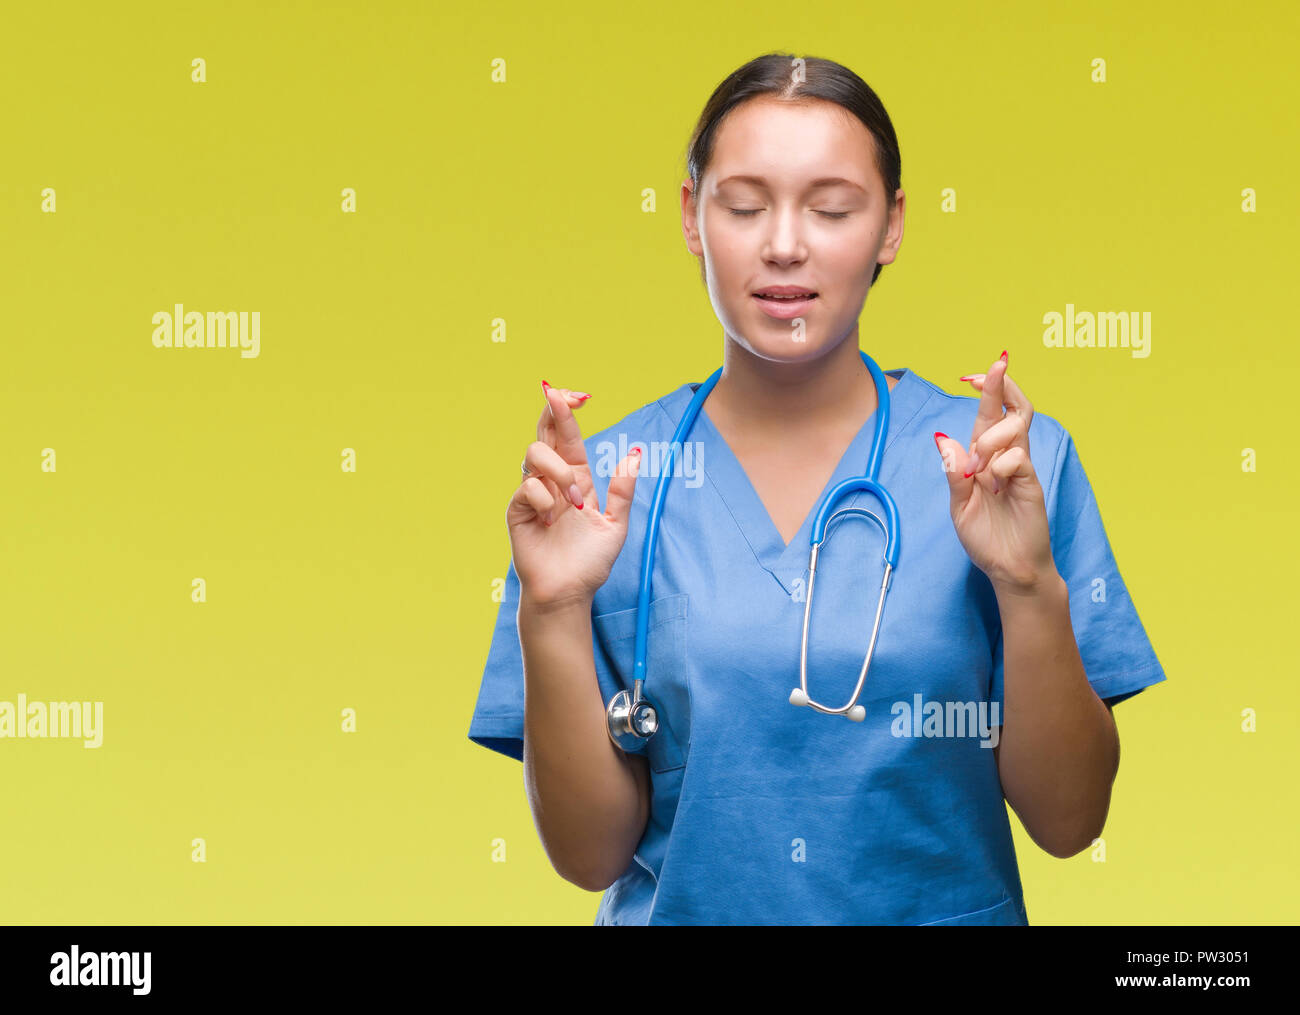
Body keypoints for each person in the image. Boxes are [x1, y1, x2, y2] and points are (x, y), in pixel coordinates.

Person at [467, 52, 1166, 925]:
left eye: (832, 208)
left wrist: (1026, 583)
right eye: (744, 205)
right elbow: (588, 857)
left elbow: (1069, 821)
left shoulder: (1005, 469)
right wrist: (551, 606)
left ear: (891, 226)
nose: (785, 244)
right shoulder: (594, 490)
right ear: (690, 216)